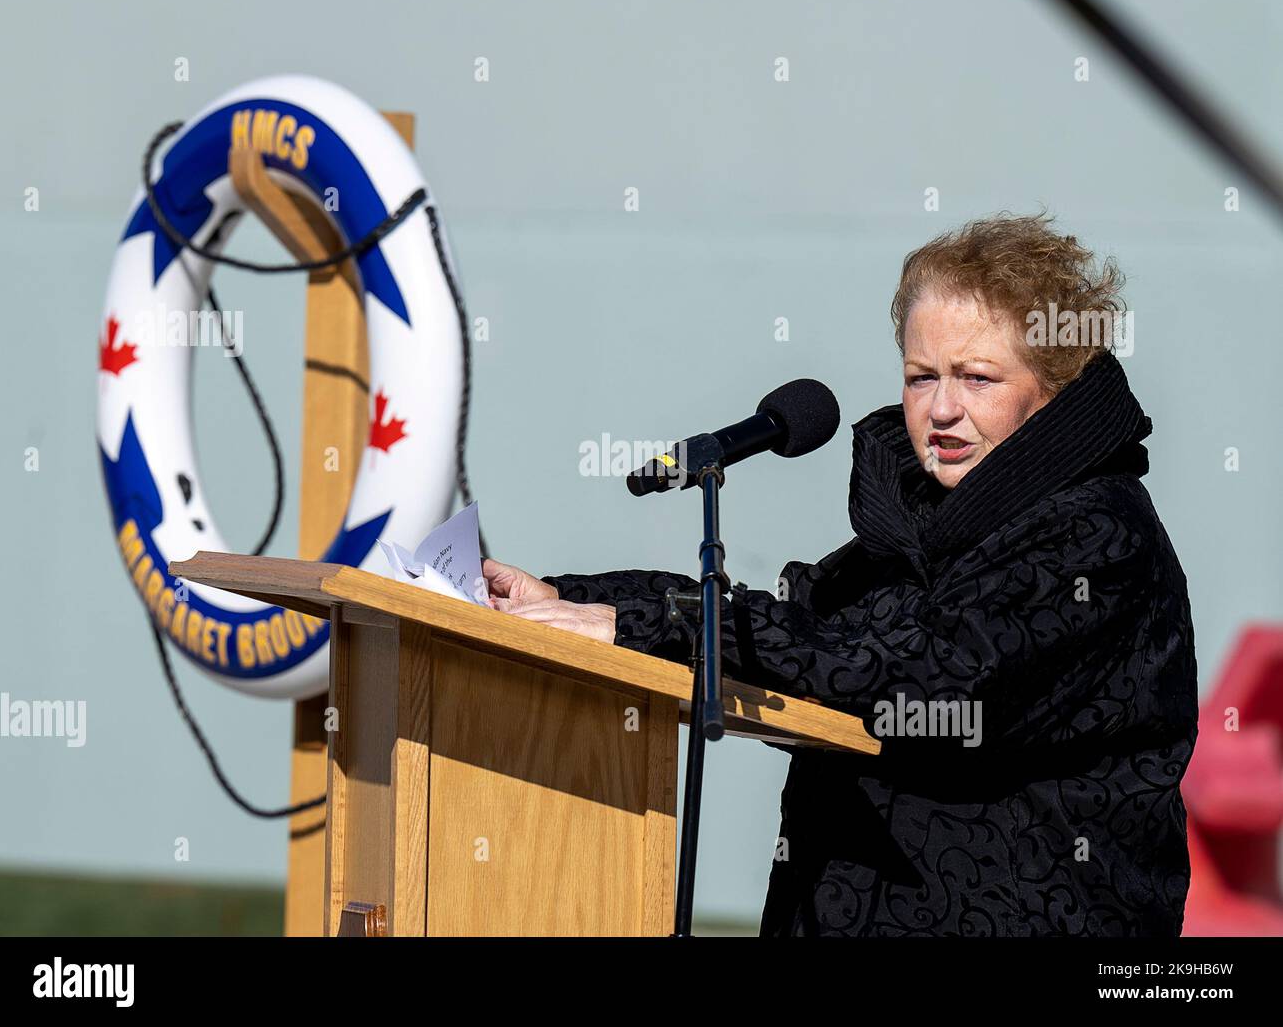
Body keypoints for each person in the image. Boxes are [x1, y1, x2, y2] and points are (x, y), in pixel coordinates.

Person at [484, 213, 1199, 937]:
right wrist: (574, 600)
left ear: (1050, 389)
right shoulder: (924, 531)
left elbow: (923, 676)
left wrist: (639, 625)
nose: (942, 409)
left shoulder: (1097, 537)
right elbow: (801, 624)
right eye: (921, 378)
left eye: (976, 378)